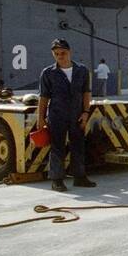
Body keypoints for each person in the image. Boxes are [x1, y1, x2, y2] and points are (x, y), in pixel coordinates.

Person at [36, 39, 96, 192]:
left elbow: (86, 93)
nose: (60, 57)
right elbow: (44, 97)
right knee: (57, 147)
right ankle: (57, 180)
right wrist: (40, 118)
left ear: (69, 52)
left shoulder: (82, 71)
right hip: (57, 115)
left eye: (63, 53)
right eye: (56, 54)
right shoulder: (48, 73)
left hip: (76, 114)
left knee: (78, 145)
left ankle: (79, 177)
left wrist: (85, 112)